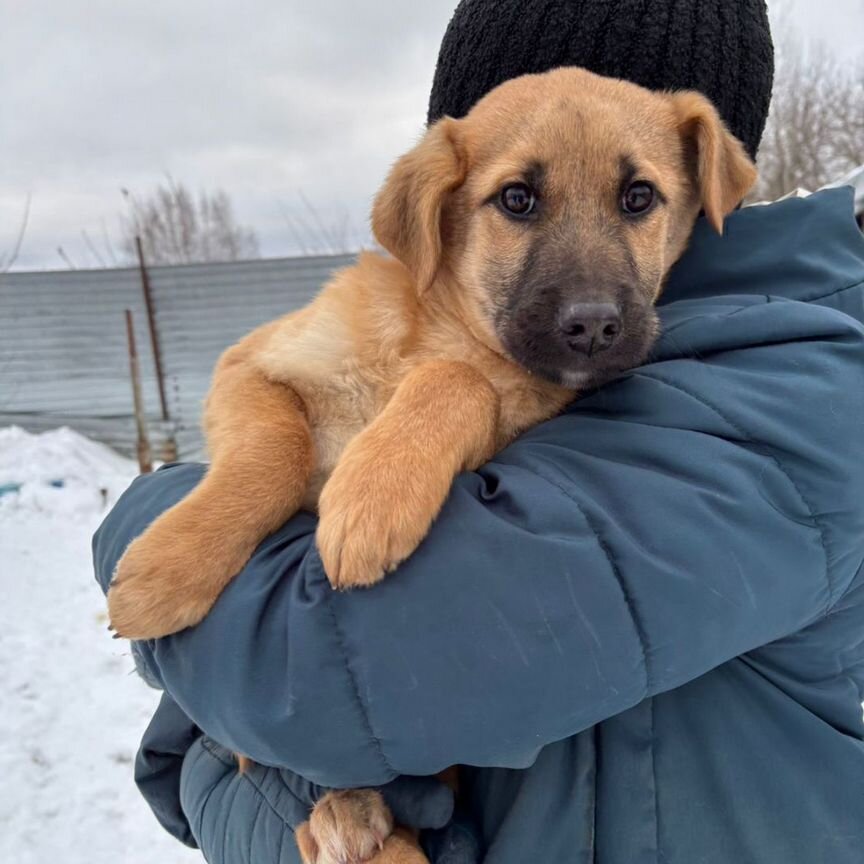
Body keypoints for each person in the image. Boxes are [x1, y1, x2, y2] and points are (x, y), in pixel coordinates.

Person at [94, 1, 864, 862]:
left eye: (636, 198)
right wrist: (228, 499)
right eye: (521, 199)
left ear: (705, 187)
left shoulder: (794, 391)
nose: (588, 301)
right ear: (440, 210)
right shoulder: (400, 323)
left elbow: (305, 680)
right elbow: (197, 758)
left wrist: (147, 516)